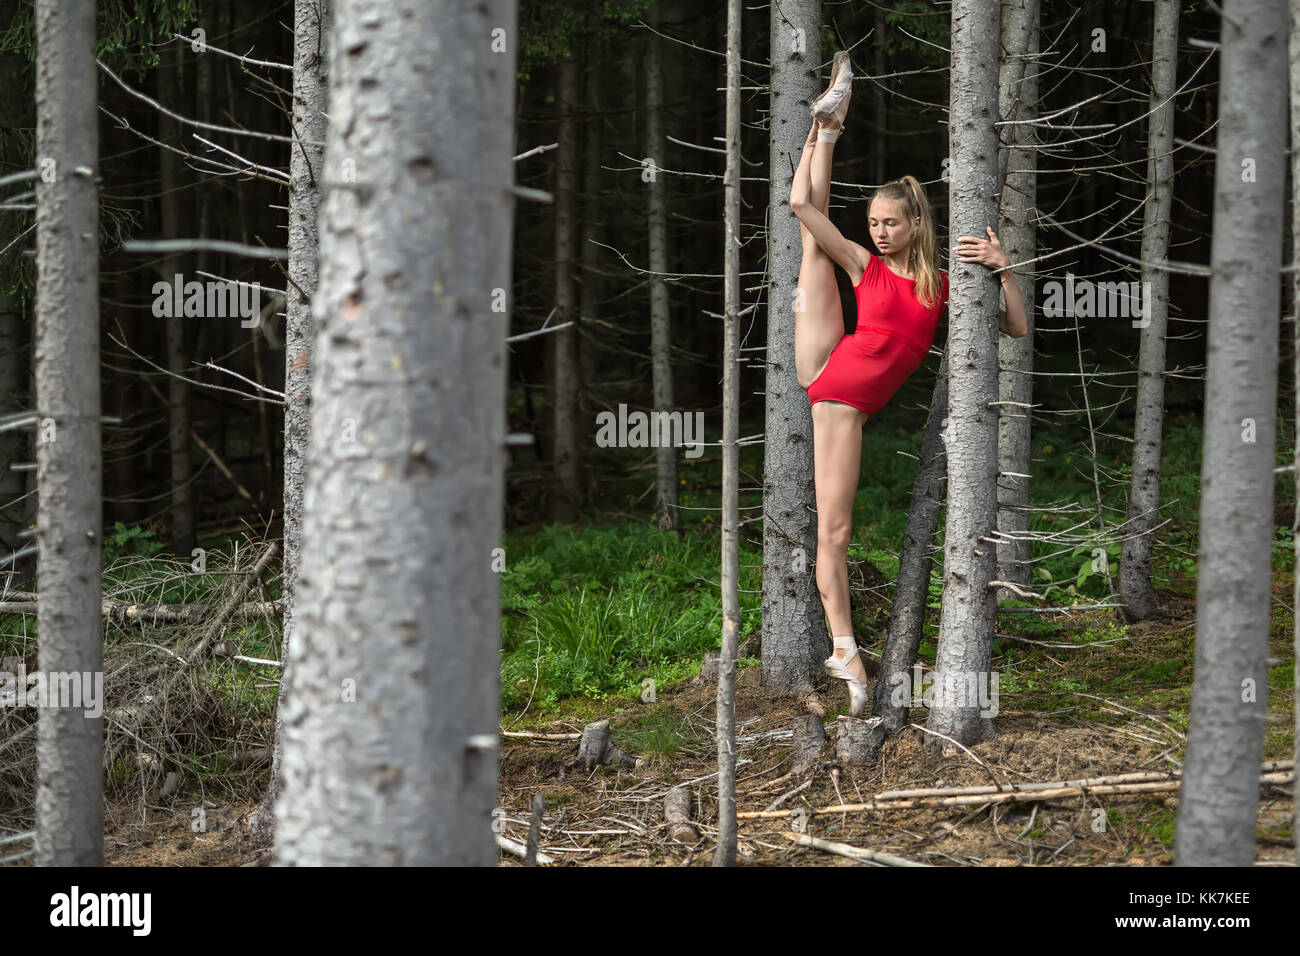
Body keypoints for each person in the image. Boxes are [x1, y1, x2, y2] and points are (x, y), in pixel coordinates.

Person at [789, 51, 1029, 715]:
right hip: (835, 392)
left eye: (890, 222)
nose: (879, 231)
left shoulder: (941, 286)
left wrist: (1005, 267)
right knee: (832, 535)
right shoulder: (866, 266)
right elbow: (800, 203)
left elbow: (1014, 327)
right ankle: (844, 649)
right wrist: (816, 140)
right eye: (873, 223)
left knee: (814, 246)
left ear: (916, 224)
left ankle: (829, 124)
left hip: (837, 369)